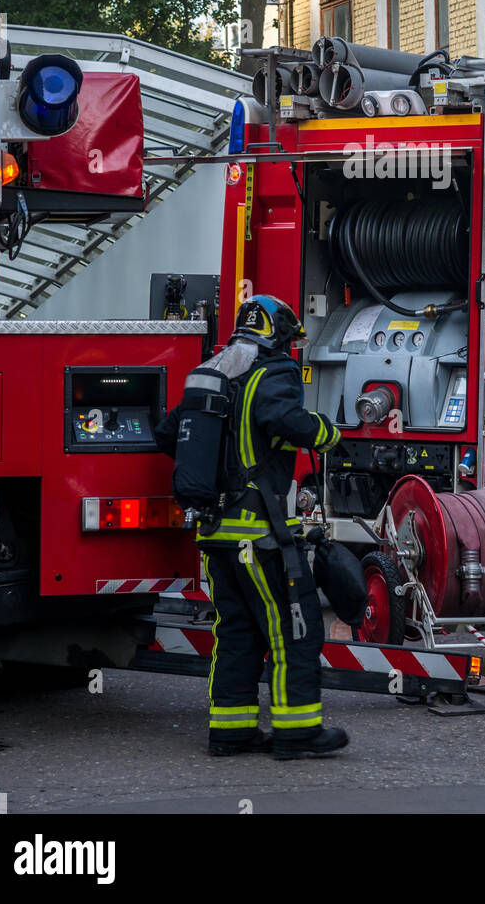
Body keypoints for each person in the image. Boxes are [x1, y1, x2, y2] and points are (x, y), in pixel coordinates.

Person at [167, 294, 348, 760]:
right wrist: (327, 431)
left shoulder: (214, 375)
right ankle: (298, 732)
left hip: (215, 536)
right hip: (258, 537)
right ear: (279, 337)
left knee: (238, 633)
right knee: (294, 632)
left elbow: (170, 433)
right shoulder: (274, 373)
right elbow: (287, 420)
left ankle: (230, 732)